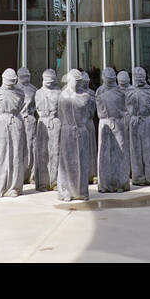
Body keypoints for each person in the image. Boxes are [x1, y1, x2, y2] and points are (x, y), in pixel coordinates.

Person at [56, 70, 91, 201]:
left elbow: (87, 114)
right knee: (67, 161)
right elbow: (60, 113)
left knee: (82, 161)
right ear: (69, 80)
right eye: (74, 81)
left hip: (81, 131)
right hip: (67, 131)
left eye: (78, 81)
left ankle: (81, 191)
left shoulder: (85, 96)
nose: (76, 84)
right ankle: (66, 191)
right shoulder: (63, 96)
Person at [0, 68, 27, 197]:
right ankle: (0, 186)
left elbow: (20, 104)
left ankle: (14, 187)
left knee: (16, 154)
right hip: (2, 122)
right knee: (1, 154)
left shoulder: (20, 93)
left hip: (15, 121)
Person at [95, 67, 131, 192]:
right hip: (107, 123)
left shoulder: (118, 92)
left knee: (118, 152)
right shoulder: (101, 91)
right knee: (106, 153)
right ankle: (106, 183)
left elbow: (124, 108)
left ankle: (119, 182)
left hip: (115, 122)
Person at [127, 67, 150, 185]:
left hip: (147, 120)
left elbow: (149, 103)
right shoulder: (129, 91)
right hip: (135, 121)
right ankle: (138, 177)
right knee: (136, 150)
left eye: (141, 77)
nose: (139, 79)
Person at [33, 68, 61, 191]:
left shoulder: (59, 93)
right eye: (46, 80)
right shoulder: (38, 93)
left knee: (55, 151)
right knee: (42, 152)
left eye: (50, 81)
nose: (48, 83)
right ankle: (43, 182)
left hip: (54, 122)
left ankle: (54, 181)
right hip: (43, 123)